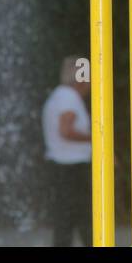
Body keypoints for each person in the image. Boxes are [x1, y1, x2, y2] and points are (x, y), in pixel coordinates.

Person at [40, 55, 92, 246]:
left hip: (62, 166)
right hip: (71, 167)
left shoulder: (59, 96)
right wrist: (97, 137)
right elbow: (66, 130)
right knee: (85, 217)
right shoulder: (69, 97)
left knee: (66, 219)